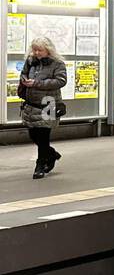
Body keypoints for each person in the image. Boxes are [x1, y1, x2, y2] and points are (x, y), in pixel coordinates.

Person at [18, 36, 68, 180]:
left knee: (43, 136)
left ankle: (40, 165)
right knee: (33, 135)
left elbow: (60, 81)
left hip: (49, 103)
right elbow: (23, 74)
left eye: (40, 50)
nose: (36, 53)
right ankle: (51, 154)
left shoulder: (58, 64)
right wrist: (24, 80)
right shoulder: (30, 61)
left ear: (48, 50)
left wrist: (36, 83)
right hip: (31, 103)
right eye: (34, 50)